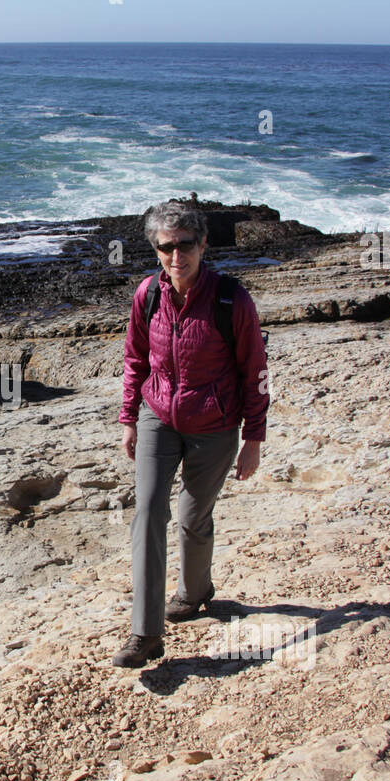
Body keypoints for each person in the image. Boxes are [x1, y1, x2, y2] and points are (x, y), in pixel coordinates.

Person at [113, 200, 270, 668]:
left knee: (193, 518)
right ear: (156, 249)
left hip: (215, 426)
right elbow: (134, 359)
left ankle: (196, 592)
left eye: (185, 244)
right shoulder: (149, 295)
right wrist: (128, 417)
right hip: (158, 417)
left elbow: (255, 371)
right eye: (165, 246)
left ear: (203, 244)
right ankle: (146, 633)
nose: (175, 255)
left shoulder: (230, 300)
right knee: (147, 514)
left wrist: (254, 439)